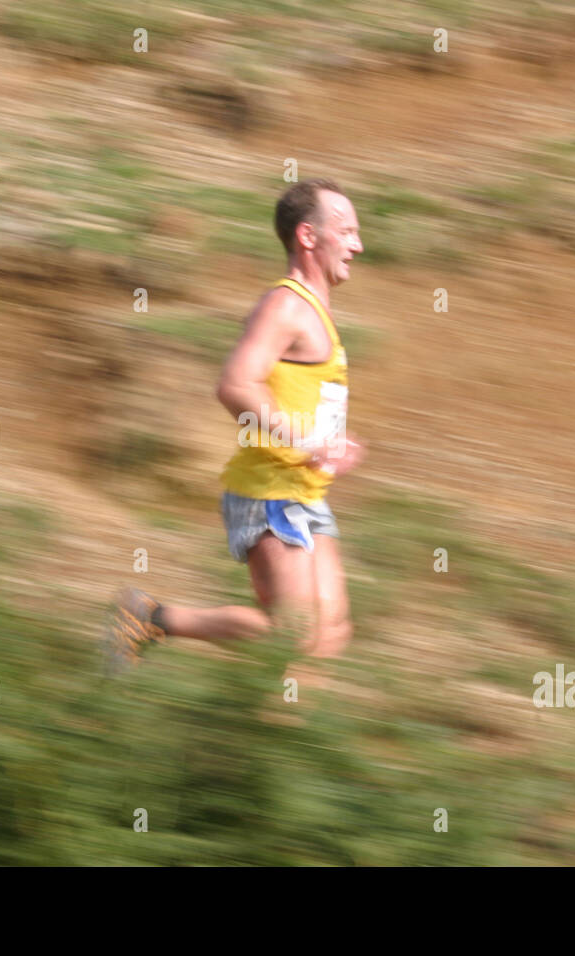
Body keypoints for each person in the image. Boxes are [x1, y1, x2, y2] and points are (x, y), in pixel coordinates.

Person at [103, 178, 365, 675]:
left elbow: (296, 394)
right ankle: (149, 618)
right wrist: (308, 440)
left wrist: (331, 441)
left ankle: (273, 738)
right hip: (270, 491)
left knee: (329, 635)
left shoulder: (316, 310)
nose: (358, 244)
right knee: (293, 636)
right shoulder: (286, 305)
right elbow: (236, 385)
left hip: (304, 491)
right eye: (347, 231)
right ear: (309, 236)